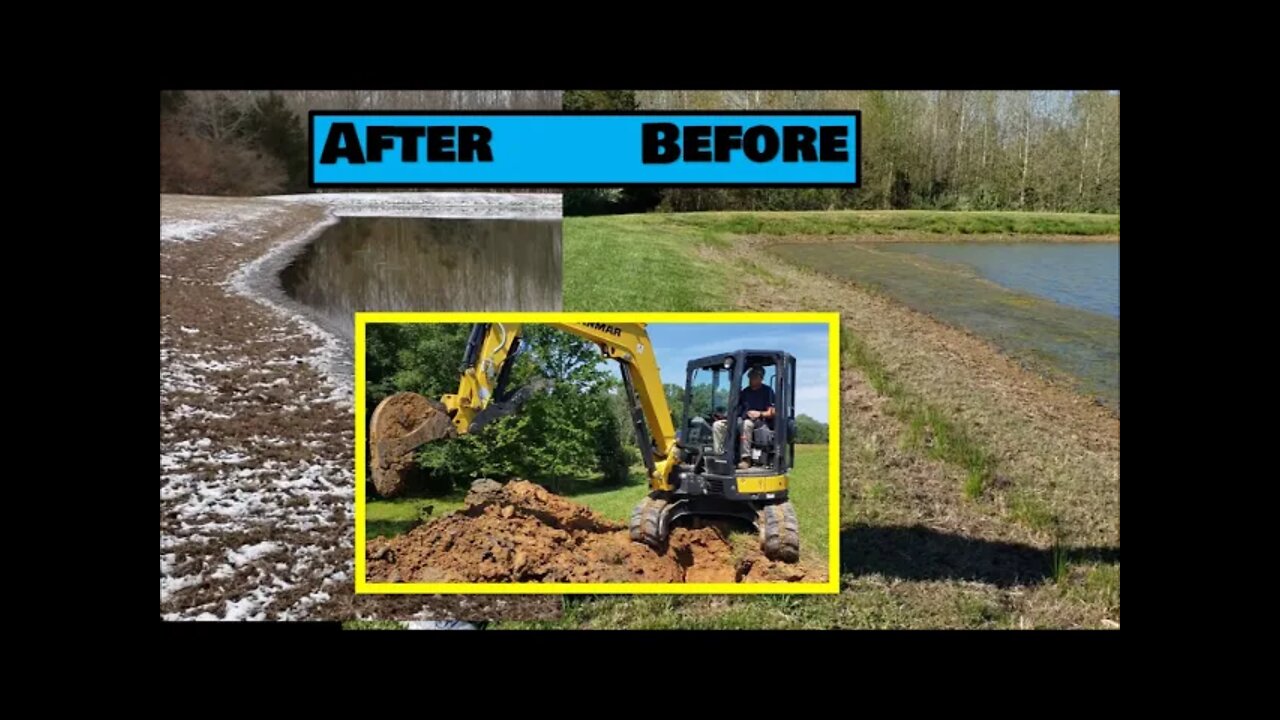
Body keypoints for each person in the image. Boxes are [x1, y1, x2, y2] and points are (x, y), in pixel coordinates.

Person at [712, 366, 776, 469]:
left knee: (746, 424)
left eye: (754, 377)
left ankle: (746, 459)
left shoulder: (767, 391)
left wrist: (759, 413)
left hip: (759, 422)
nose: (751, 379)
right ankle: (719, 456)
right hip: (740, 420)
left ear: (761, 378)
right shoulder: (745, 392)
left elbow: (773, 412)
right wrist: (725, 416)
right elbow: (736, 408)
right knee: (718, 425)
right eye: (750, 377)